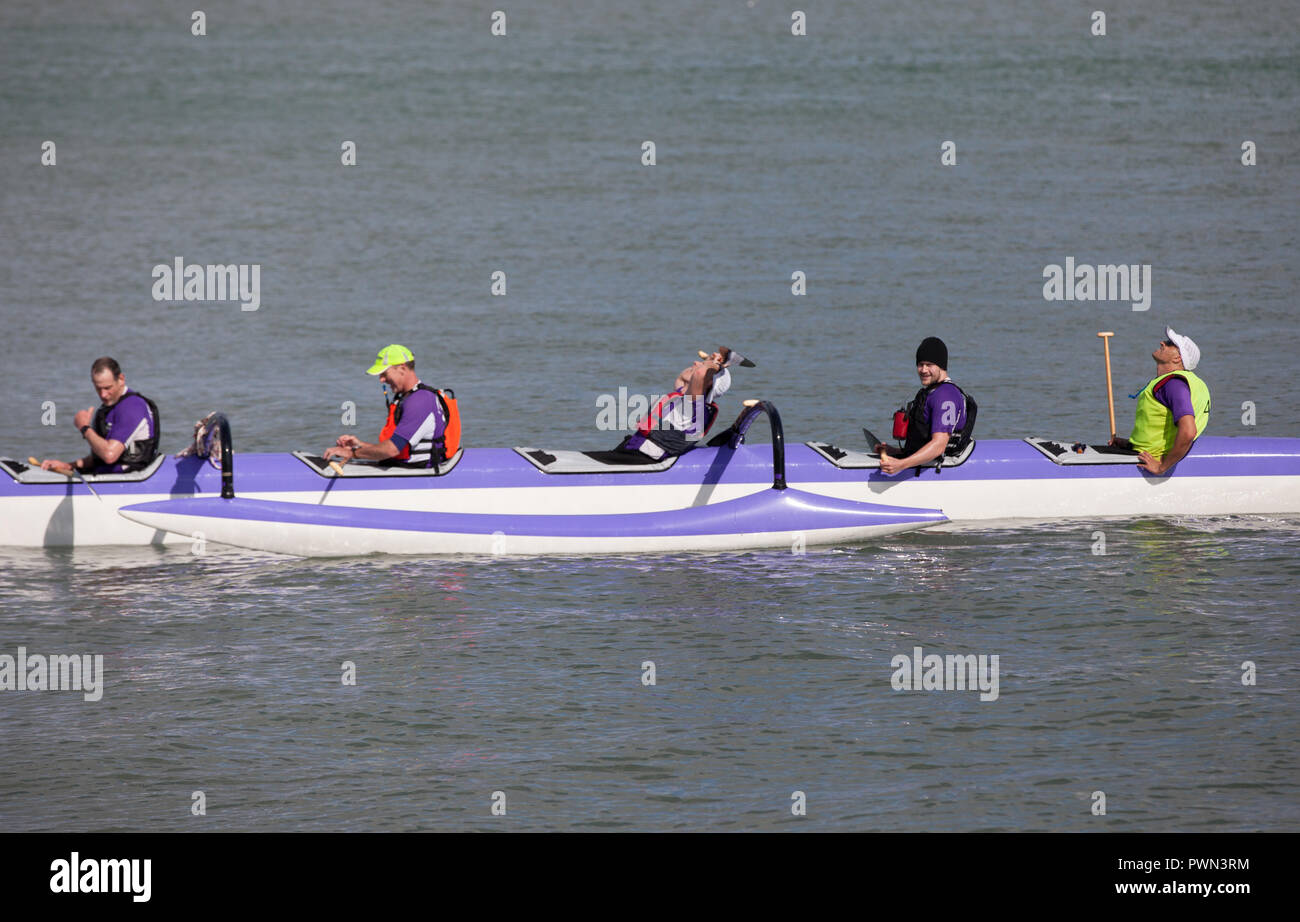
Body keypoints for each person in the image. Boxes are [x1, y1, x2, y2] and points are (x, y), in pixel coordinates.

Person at [323, 344, 460, 469]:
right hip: (405, 467)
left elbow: (392, 450)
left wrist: (352, 453)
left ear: (401, 368)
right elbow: (397, 446)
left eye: (384, 373)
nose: (381, 379)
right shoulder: (409, 397)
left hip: (419, 474)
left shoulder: (420, 401)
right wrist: (361, 446)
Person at [616, 347, 752, 460]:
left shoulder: (695, 408)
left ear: (709, 381)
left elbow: (699, 374)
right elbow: (681, 380)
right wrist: (710, 361)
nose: (695, 363)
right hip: (632, 452)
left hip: (643, 459)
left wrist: (716, 365)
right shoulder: (683, 398)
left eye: (701, 364)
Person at [1108, 327, 1210, 475]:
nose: (1162, 343)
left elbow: (1188, 432)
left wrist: (1161, 467)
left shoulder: (1174, 384)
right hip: (1143, 452)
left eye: (1169, 343)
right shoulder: (1191, 383)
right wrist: (1129, 444)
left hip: (1153, 460)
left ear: (1177, 358)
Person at [39, 357, 160, 475]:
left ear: (121, 379)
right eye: (98, 388)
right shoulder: (107, 409)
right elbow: (98, 457)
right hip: (106, 475)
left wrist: (85, 428)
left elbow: (109, 455)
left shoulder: (133, 406)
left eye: (108, 388)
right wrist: (69, 465)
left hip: (128, 479)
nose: (103, 395)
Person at [876, 337, 977, 476]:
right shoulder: (930, 392)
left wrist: (900, 465)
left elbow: (939, 446)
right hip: (921, 463)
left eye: (929, 364)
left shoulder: (945, 395)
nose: (923, 370)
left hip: (938, 470)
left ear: (941, 366)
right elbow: (924, 441)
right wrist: (894, 452)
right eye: (920, 364)